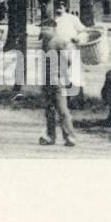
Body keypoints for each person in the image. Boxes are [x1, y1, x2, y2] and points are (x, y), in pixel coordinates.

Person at [38, 15, 77, 147]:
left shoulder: (59, 41)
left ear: (53, 29)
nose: (43, 31)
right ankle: (50, 136)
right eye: (42, 28)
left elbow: (69, 59)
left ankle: (70, 136)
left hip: (58, 80)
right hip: (47, 80)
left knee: (62, 109)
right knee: (49, 109)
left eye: (46, 28)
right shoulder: (45, 42)